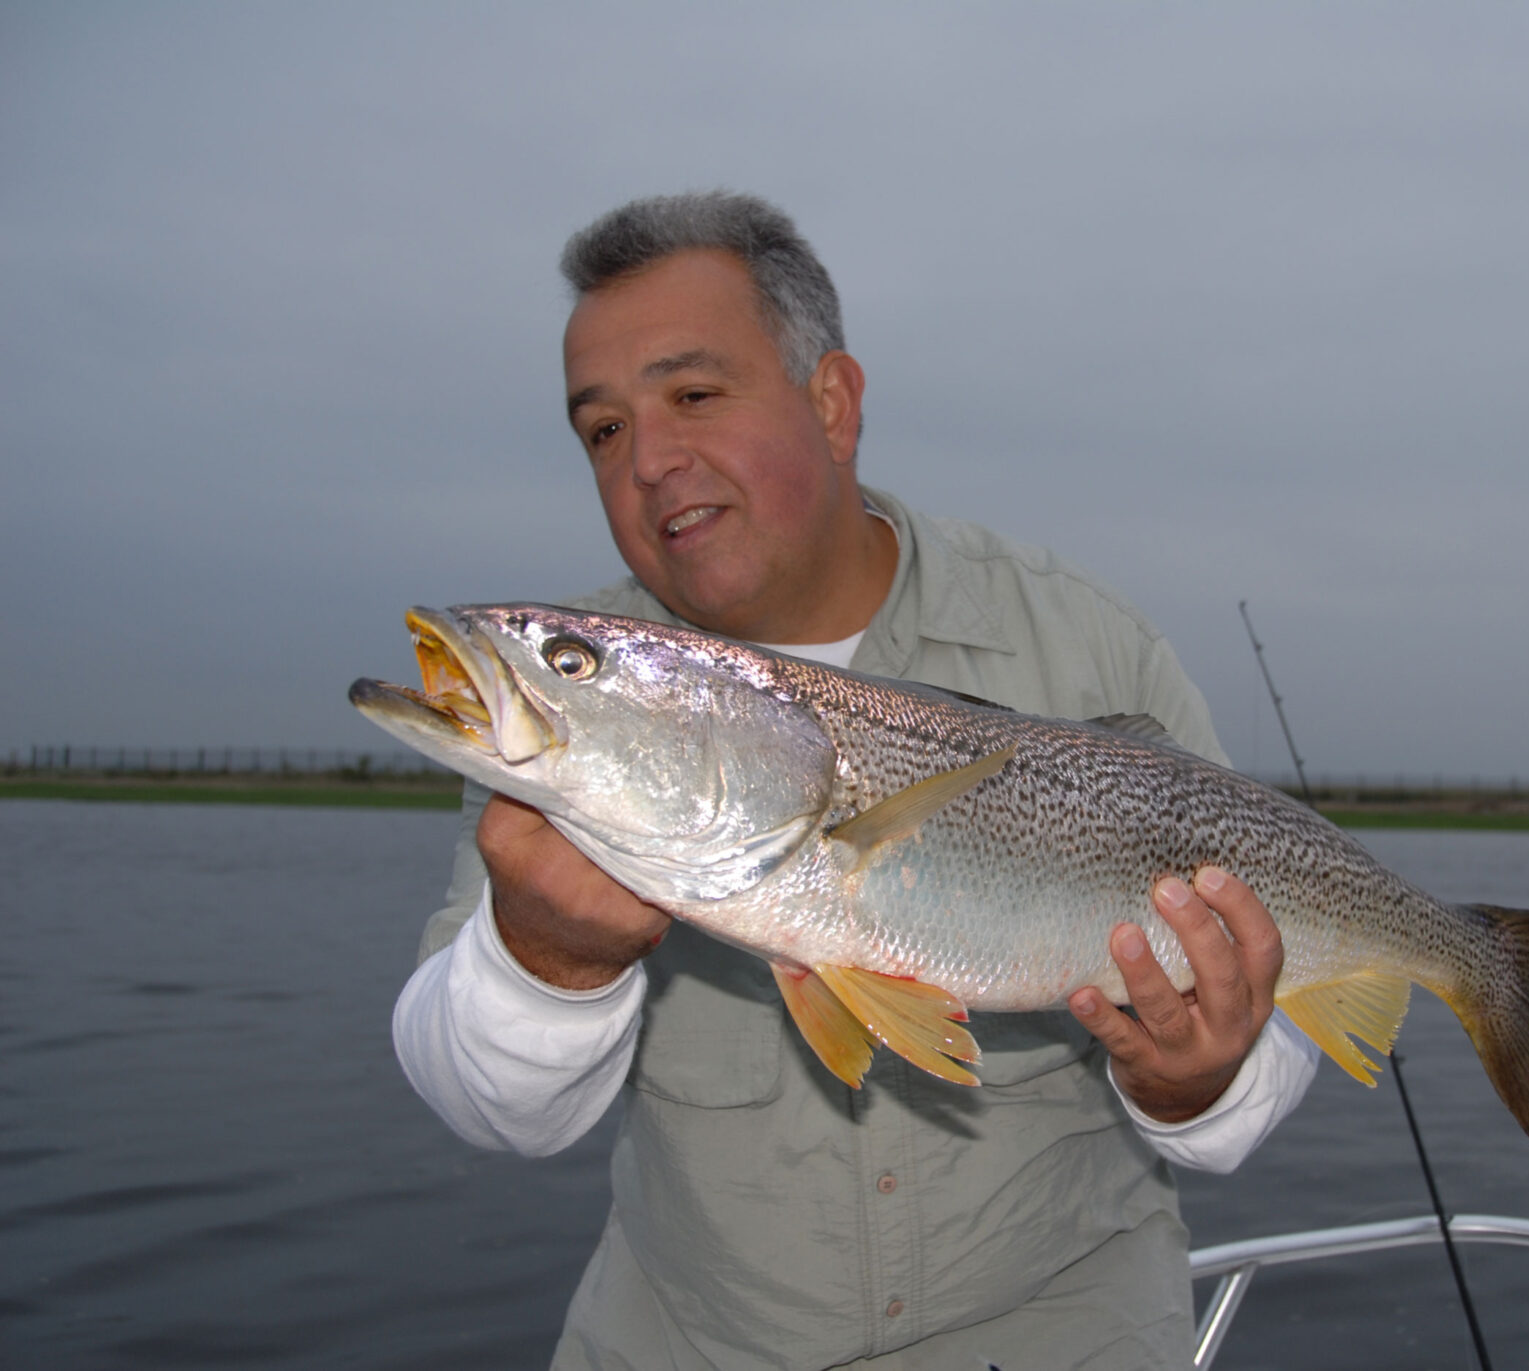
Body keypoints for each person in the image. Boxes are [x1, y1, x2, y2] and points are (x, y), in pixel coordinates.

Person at [391, 191, 1319, 1370]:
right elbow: (490, 1110)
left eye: (692, 395)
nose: (649, 461)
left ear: (832, 403)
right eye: (603, 431)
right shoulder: (582, 708)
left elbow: (1260, 1064)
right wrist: (545, 959)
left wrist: (1202, 1082)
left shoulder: (1087, 644)